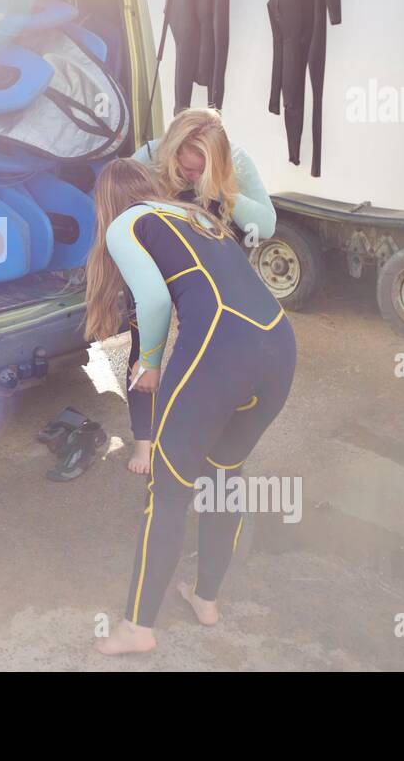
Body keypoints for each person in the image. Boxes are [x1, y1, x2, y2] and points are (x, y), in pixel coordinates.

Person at [84, 158, 296, 655]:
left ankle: (138, 627)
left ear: (108, 204)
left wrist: (152, 364)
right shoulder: (193, 215)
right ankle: (206, 598)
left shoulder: (126, 223)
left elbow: (155, 304)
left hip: (223, 352)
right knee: (225, 474)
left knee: (171, 487)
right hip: (279, 347)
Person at [124, 108, 275, 474]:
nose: (190, 175)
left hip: (207, 274)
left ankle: (211, 443)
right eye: (184, 166)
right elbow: (116, 199)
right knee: (144, 350)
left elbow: (266, 225)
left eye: (199, 169)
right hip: (155, 263)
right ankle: (144, 443)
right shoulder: (149, 156)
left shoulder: (235, 161)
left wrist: (224, 190)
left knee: (212, 358)